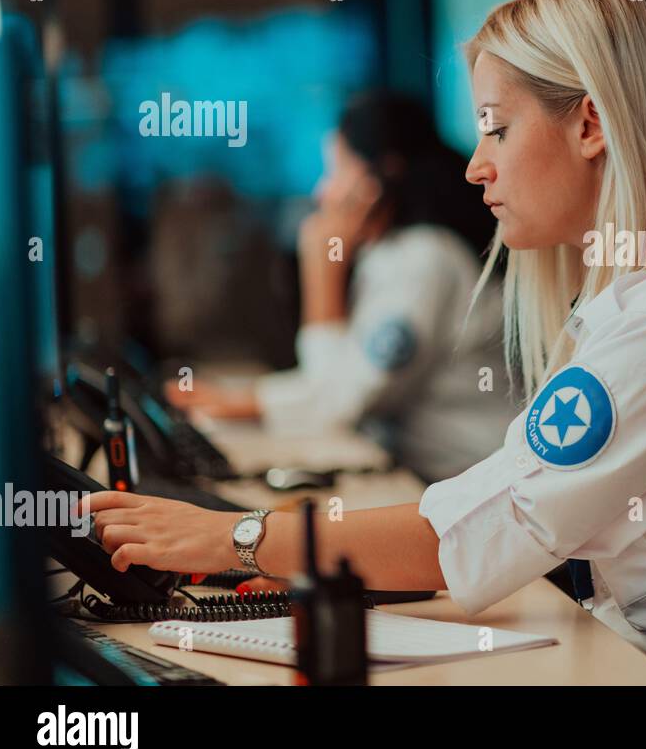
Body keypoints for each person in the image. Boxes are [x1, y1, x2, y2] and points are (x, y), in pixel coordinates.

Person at [87, 0, 646, 665]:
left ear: (589, 123)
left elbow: (488, 527)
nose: (477, 167)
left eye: (496, 129)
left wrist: (233, 540)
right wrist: (295, 547)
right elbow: (502, 512)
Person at [166, 92, 515, 483]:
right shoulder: (397, 253)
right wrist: (238, 401)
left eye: (335, 171)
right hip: (434, 477)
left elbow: (339, 402)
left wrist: (321, 271)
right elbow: (342, 380)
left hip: (471, 479)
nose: (322, 192)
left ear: (376, 181)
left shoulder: (423, 260)